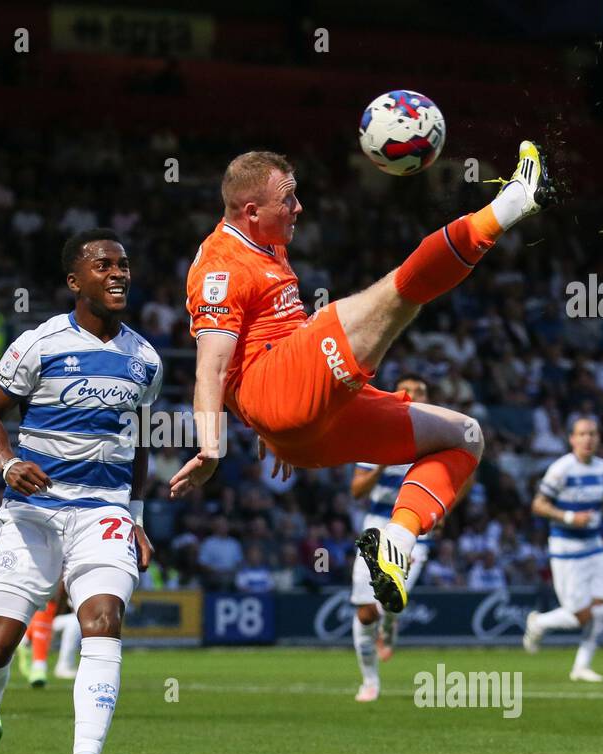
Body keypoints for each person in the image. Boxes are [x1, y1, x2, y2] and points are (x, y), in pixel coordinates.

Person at [171, 143, 554, 618]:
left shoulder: (269, 244)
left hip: (301, 426)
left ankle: (397, 540)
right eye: (288, 199)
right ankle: (512, 203)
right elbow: (210, 365)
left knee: (465, 437)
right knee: (395, 294)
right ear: (251, 211)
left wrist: (271, 428)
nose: (298, 207)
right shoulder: (220, 266)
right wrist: (213, 443)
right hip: (277, 392)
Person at [0, 228, 161, 754]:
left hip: (103, 512)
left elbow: (141, 441)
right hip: (32, 512)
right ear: (76, 281)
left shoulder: (144, 359)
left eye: (124, 264)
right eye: (104, 265)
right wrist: (5, 464)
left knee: (101, 618)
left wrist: (136, 516)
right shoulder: (38, 344)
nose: (119, 273)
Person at [347, 374, 439, 702]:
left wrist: (441, 510)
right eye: (408, 391)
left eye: (421, 391)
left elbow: (462, 480)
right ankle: (370, 680)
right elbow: (357, 490)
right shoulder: (377, 438)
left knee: (388, 601)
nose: (414, 395)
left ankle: (390, 624)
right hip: (375, 528)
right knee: (364, 612)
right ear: (397, 397)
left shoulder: (437, 441)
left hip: (413, 532)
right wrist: (382, 465)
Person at [522, 415, 603, 681]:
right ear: (571, 439)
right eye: (582, 434)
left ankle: (581, 666)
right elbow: (538, 504)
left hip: (594, 545)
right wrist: (570, 518)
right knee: (579, 616)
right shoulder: (561, 469)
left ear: (599, 438)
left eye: (592, 434)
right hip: (566, 549)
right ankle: (538, 622)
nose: (588, 439)